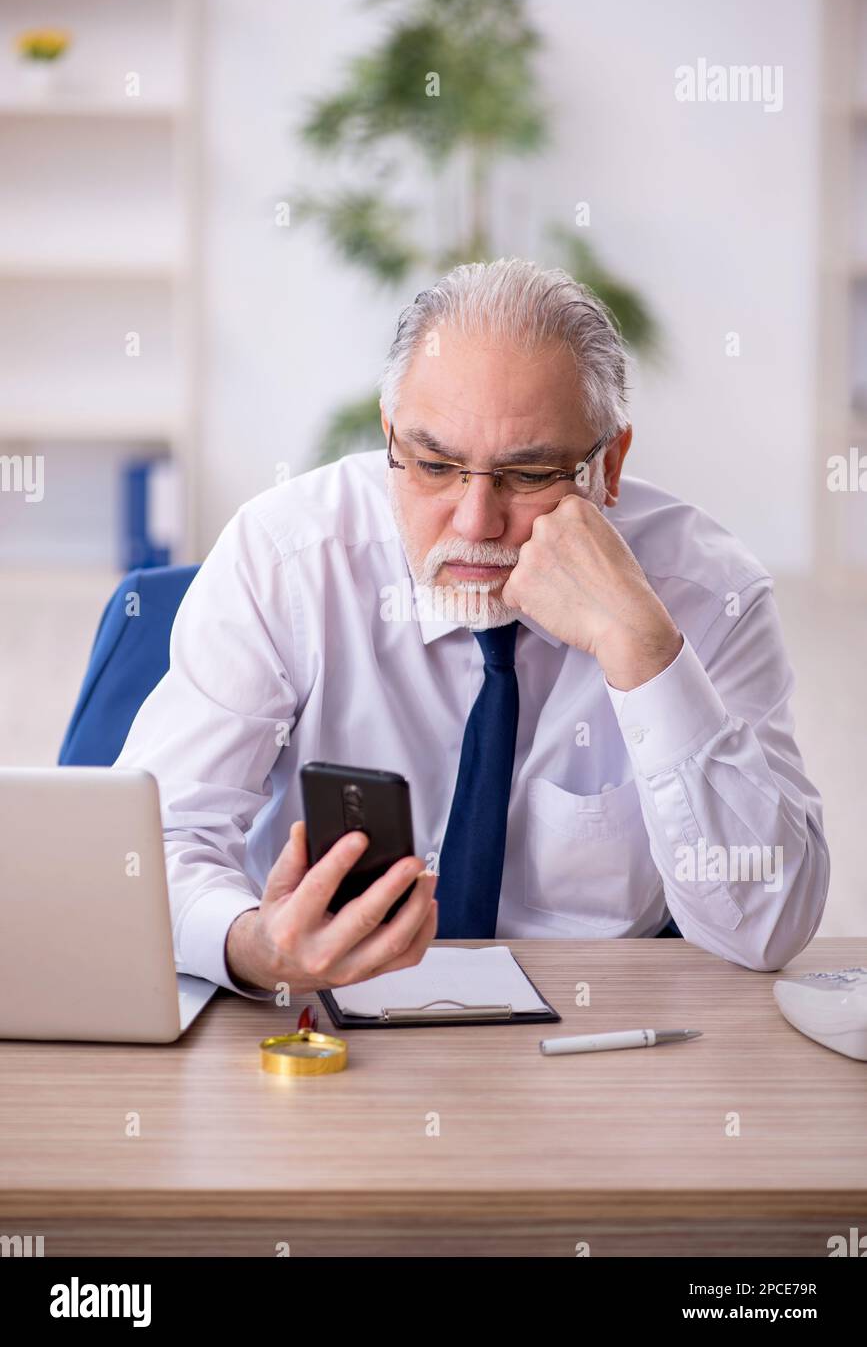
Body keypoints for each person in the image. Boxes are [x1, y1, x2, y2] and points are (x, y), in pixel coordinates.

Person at [115, 258, 829, 999]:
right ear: (390, 437)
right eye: (432, 464)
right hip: (326, 1023)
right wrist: (254, 946)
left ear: (608, 464)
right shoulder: (287, 556)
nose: (475, 522)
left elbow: (767, 928)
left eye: (527, 476)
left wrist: (645, 651)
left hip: (594, 1036)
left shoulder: (709, 593)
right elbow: (145, 851)